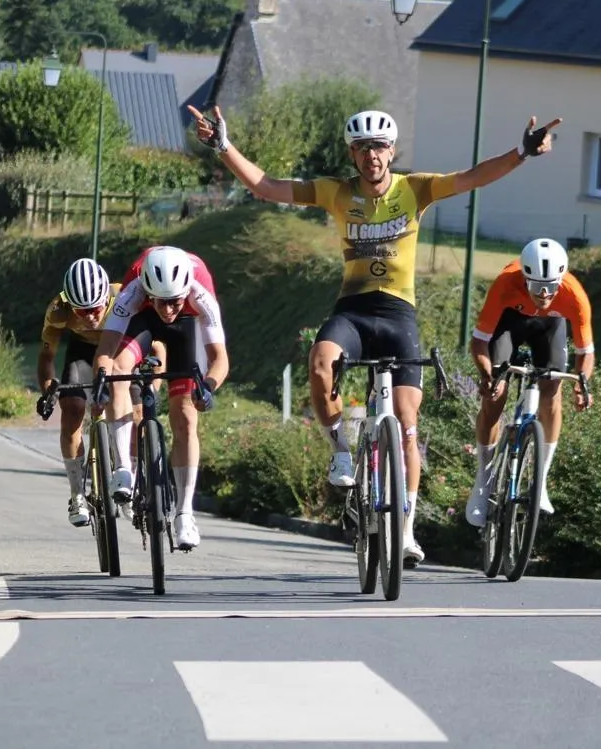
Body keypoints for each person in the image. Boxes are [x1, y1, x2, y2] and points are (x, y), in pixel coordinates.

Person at [188, 103, 562, 566]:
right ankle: (342, 450)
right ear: (353, 155)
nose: (372, 156)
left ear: (391, 150)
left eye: (380, 146)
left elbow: (474, 177)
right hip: (354, 310)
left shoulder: (416, 189)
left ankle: (405, 531)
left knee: (407, 424)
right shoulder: (337, 193)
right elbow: (267, 187)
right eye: (363, 149)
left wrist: (521, 153)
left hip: (400, 315)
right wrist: (224, 145)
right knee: (321, 360)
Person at [92, 245, 230, 551]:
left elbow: (220, 359)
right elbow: (105, 350)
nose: (168, 310)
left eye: (174, 302)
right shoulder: (133, 289)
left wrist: (207, 386)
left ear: (185, 292)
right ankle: (124, 469)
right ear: (148, 290)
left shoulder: (199, 292)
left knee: (185, 416)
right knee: (117, 370)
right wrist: (102, 379)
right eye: (161, 302)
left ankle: (185, 514)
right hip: (143, 321)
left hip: (187, 330)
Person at [464, 238, 593, 527]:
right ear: (524, 277)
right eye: (536, 286)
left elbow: (586, 353)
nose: (544, 294)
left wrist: (582, 385)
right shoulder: (505, 283)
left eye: (550, 286)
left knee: (552, 389)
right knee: (495, 395)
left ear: (562, 279)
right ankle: (483, 482)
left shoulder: (574, 294)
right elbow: (479, 342)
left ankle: (541, 480)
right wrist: (488, 376)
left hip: (550, 327)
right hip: (510, 322)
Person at [37, 258, 122, 528]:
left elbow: (153, 339)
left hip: (120, 348)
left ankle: (131, 474)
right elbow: (46, 357)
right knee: (71, 408)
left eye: (96, 309)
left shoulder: (122, 297)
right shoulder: (58, 311)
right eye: (82, 312)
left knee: (135, 407)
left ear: (105, 299)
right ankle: (77, 494)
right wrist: (47, 391)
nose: (91, 317)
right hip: (83, 352)